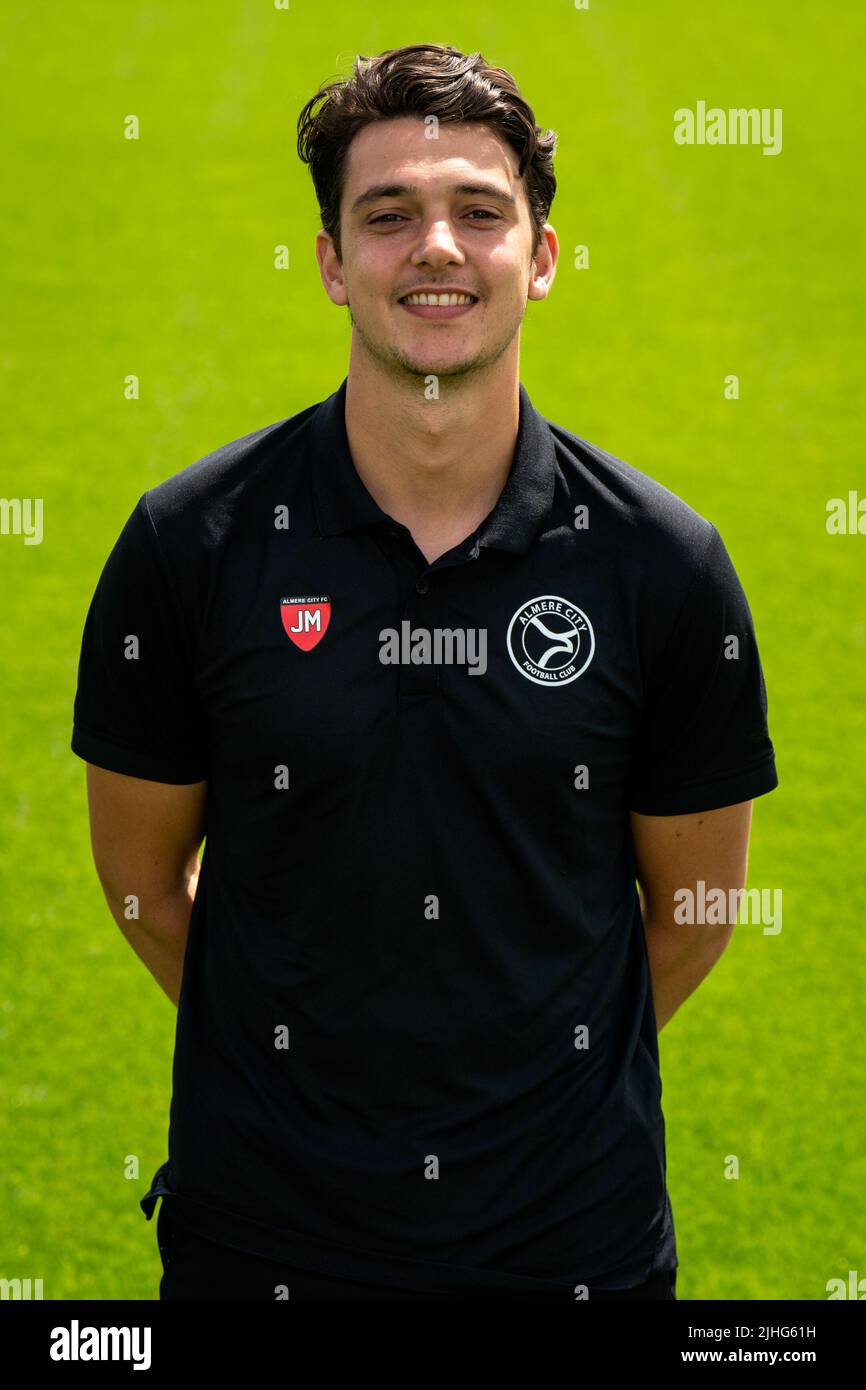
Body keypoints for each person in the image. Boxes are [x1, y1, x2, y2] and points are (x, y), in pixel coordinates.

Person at [71, 43, 778, 1301]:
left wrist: (526, 1082)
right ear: (334, 264)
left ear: (541, 259)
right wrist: (307, 1071)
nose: (436, 247)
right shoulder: (190, 545)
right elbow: (139, 883)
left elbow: (696, 914)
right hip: (263, 1236)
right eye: (387, 216)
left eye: (479, 213)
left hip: (570, 1241)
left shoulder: (661, 566)